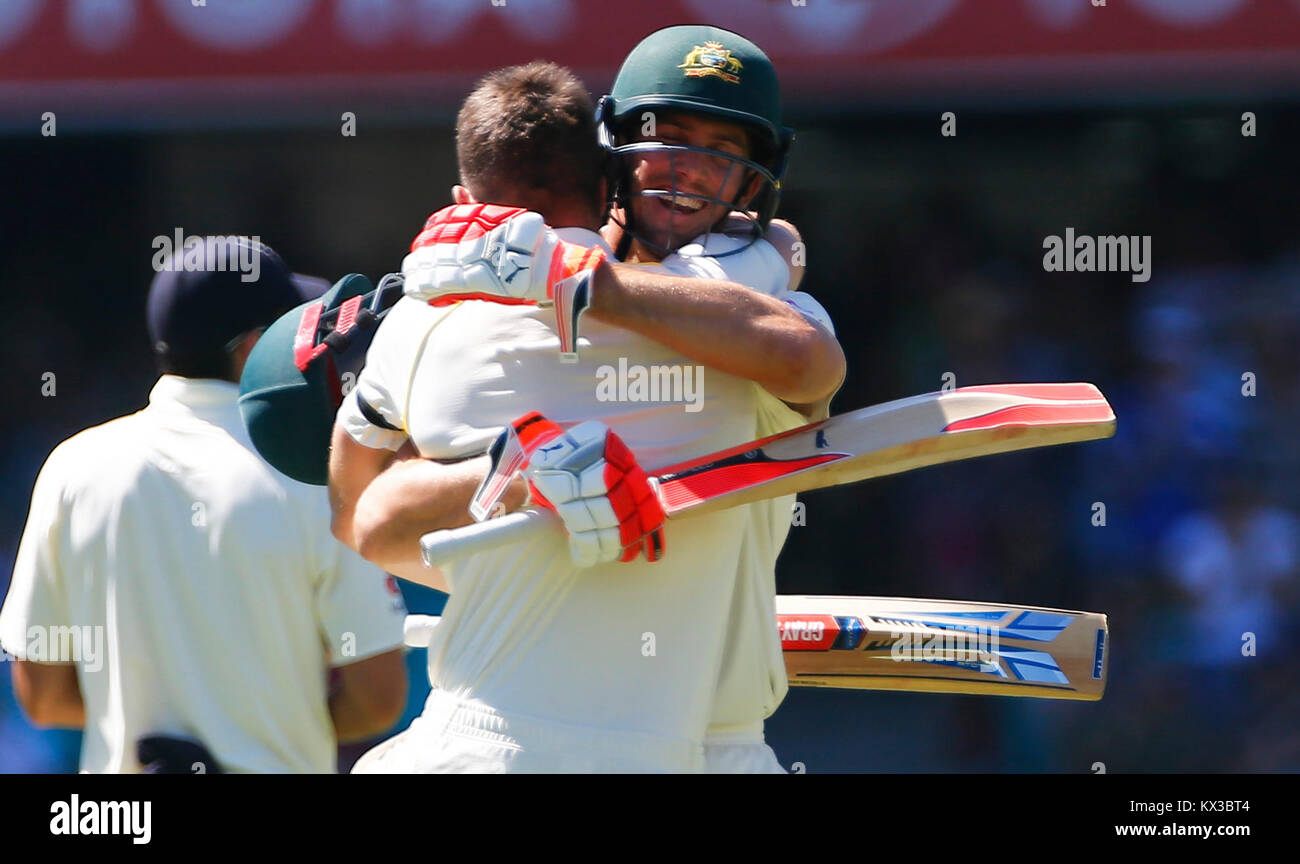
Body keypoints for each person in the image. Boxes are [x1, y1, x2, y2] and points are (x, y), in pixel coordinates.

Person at [332, 37, 841, 771]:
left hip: (710, 745)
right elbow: (371, 518)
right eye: (666, 138)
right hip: (496, 729)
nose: (689, 168)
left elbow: (804, 360)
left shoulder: (759, 316)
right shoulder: (454, 309)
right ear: (612, 155)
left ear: (752, 184)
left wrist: (570, 274)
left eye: (722, 148)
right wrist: (517, 478)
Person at [0, 237, 408, 773]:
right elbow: (378, 699)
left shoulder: (71, 467)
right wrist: (262, 723)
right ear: (253, 347)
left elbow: (43, 695)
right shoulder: (313, 470)